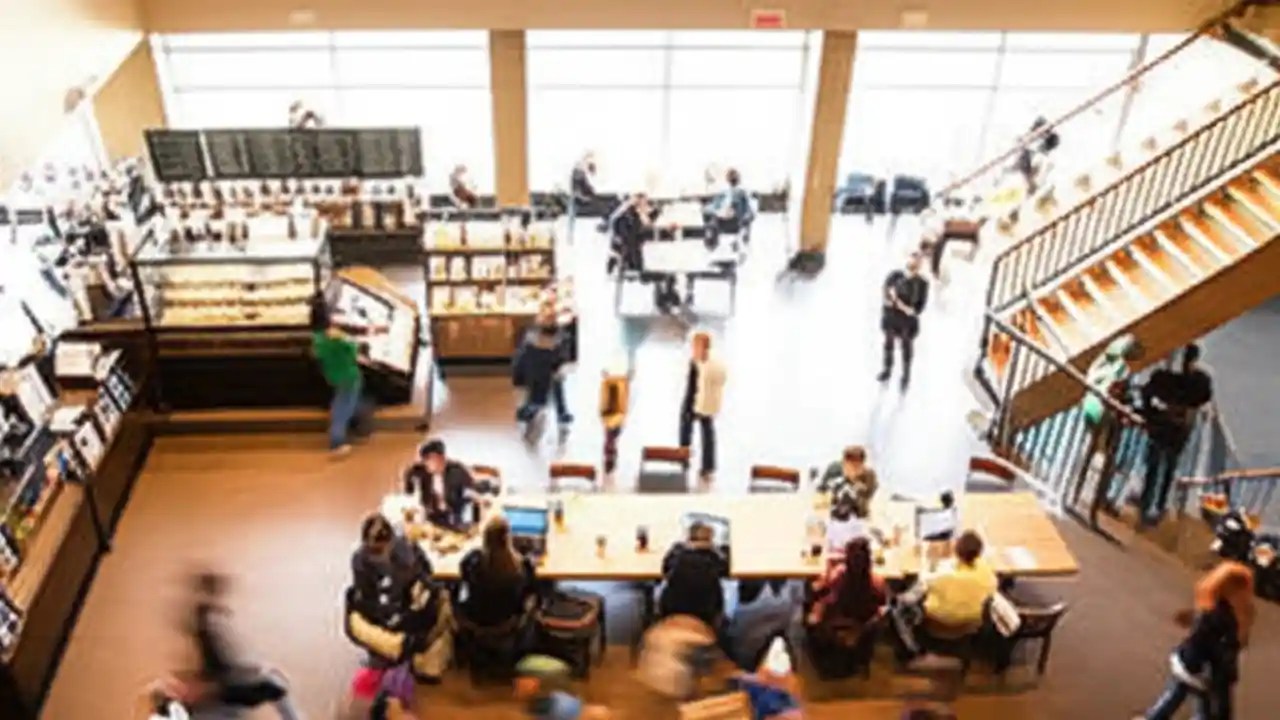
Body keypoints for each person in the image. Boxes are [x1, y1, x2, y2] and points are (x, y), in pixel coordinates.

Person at [1135, 562, 1255, 720]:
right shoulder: (1220, 615)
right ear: (1230, 590)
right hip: (1203, 670)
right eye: (1243, 590)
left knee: (1175, 696)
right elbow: (1211, 643)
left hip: (1194, 665)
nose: (1247, 594)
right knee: (1204, 708)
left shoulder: (1220, 610)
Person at [186, 571, 304, 720]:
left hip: (225, 684)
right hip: (227, 683)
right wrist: (260, 670)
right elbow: (228, 657)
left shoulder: (208, 619)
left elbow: (228, 656)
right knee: (276, 685)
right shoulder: (211, 621)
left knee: (270, 685)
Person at [1071, 333, 1143, 526]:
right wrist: (1125, 408)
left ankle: (1074, 490)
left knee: (1087, 450)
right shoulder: (1121, 368)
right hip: (1104, 413)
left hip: (1090, 404)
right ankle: (1096, 501)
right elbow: (1114, 389)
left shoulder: (1102, 361)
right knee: (1105, 459)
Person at [1139, 344, 1213, 526]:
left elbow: (1146, 393)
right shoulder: (1200, 380)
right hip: (1179, 428)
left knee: (1154, 466)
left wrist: (1150, 414)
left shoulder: (1163, 377)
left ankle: (1148, 505)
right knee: (1167, 468)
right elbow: (1204, 397)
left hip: (1161, 426)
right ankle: (1157, 506)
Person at [893, 531, 997, 659]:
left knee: (901, 604)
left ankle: (911, 649)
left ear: (956, 550)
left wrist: (927, 566)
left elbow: (923, 582)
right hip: (970, 626)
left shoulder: (943, 577)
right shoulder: (987, 575)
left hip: (937, 625)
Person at [806, 538, 888, 659]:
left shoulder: (839, 575)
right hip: (861, 626)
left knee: (811, 605)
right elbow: (883, 603)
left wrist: (828, 568)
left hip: (835, 622)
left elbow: (817, 588)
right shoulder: (876, 581)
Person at [310, 294, 365, 456]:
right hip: (348, 374)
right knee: (343, 407)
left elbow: (317, 355)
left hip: (333, 375)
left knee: (341, 403)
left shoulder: (317, 338)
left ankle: (352, 429)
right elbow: (352, 348)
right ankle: (337, 442)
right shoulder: (334, 336)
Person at [458, 517, 538, 628]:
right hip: (508, 626)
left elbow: (463, 571)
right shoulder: (523, 567)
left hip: (476, 624)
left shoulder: (474, 562)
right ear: (509, 538)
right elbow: (530, 592)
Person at [659, 522, 730, 629]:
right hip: (706, 613)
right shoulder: (714, 557)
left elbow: (665, 568)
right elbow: (726, 570)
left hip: (673, 611)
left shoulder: (678, 553)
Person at [679, 331, 728, 483]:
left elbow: (719, 380)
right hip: (692, 397)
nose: (694, 349)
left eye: (697, 346)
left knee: (707, 432)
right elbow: (691, 382)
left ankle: (708, 466)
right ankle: (683, 458)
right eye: (694, 346)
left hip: (706, 400)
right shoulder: (694, 361)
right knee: (685, 428)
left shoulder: (713, 364)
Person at [513, 312, 572, 432]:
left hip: (537, 371)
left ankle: (532, 410)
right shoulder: (553, 340)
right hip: (540, 371)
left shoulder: (532, 339)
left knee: (549, 388)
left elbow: (521, 361)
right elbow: (560, 358)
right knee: (551, 387)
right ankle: (558, 412)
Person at [877, 254, 929, 390]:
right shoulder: (895, 276)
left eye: (918, 262)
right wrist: (893, 301)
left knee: (906, 349)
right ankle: (887, 370)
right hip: (891, 318)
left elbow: (916, 310)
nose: (914, 263)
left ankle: (906, 376)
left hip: (907, 323)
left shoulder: (922, 284)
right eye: (913, 259)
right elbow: (885, 294)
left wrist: (897, 302)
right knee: (888, 344)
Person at [403, 439, 476, 527]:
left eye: (429, 459)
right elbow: (408, 487)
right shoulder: (421, 470)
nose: (426, 463)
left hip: (454, 517)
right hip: (430, 517)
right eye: (425, 460)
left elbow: (471, 491)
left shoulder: (457, 471)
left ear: (440, 458)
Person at [818, 445, 879, 518]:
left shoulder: (869, 475)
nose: (853, 469)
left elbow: (866, 500)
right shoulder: (834, 470)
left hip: (857, 513)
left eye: (857, 466)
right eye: (849, 465)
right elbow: (821, 493)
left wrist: (854, 481)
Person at [702, 168, 755, 249]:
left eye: (734, 176)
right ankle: (712, 244)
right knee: (712, 222)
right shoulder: (724, 193)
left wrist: (745, 218)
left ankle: (740, 242)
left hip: (737, 221)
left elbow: (749, 210)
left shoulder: (742, 193)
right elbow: (715, 206)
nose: (733, 179)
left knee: (713, 220)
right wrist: (707, 209)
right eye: (731, 176)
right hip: (723, 220)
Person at [599, 360, 630, 476]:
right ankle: (610, 458)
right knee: (611, 433)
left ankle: (610, 458)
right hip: (614, 413)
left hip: (612, 413)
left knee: (610, 433)